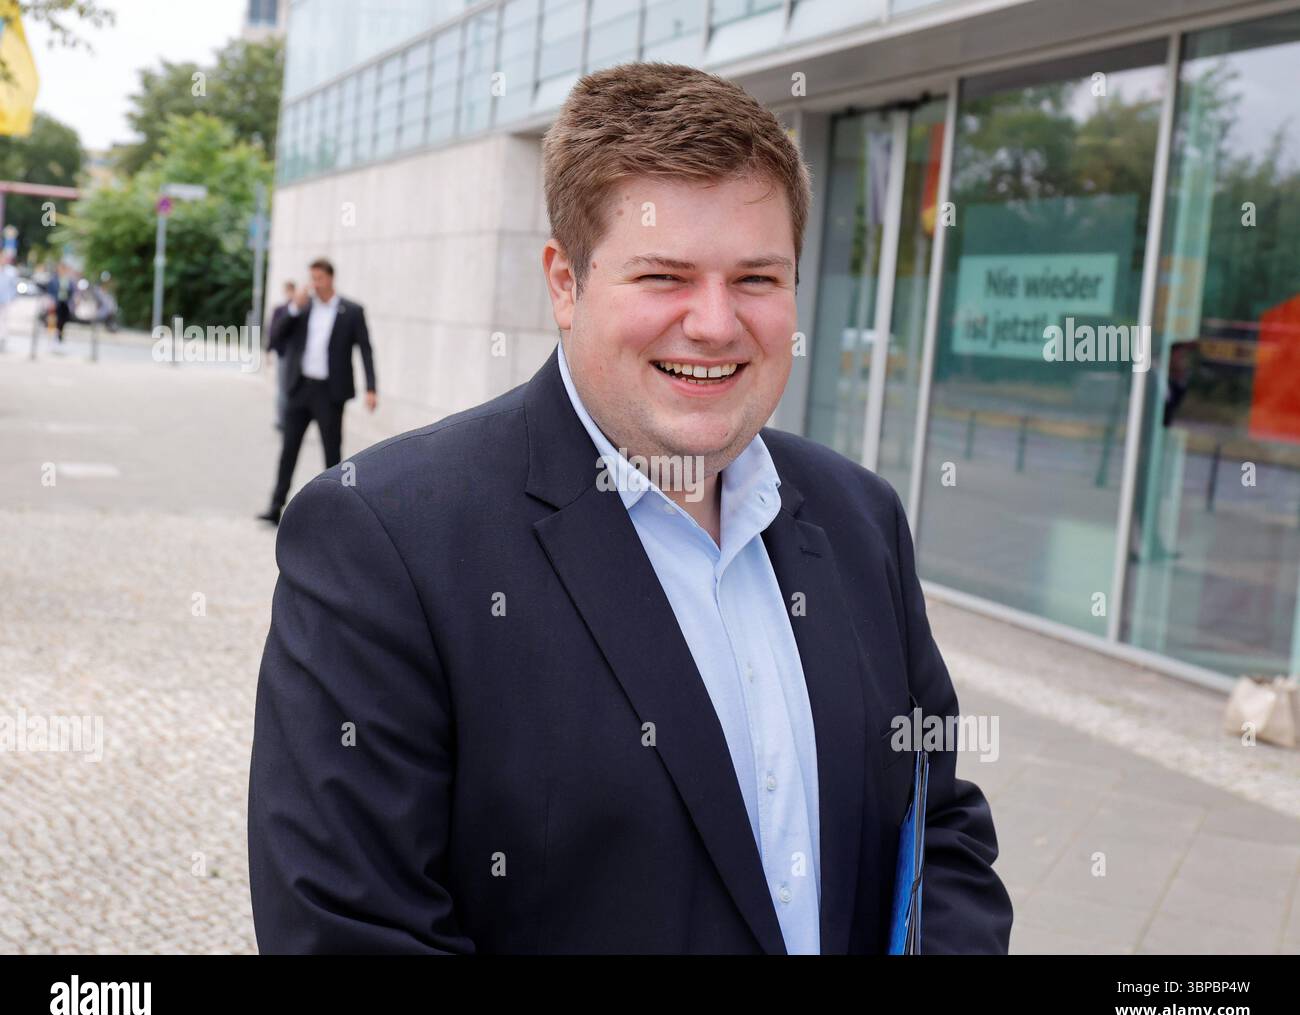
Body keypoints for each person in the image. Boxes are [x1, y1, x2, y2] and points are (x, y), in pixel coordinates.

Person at [248, 62, 1013, 954]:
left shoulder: (859, 519)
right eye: (665, 276)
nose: (717, 324)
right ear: (565, 284)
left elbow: (940, 821)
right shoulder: (384, 538)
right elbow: (348, 932)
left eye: (758, 279)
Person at [256, 260, 376, 526]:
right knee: (289, 449)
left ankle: (335, 512)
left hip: (329, 392)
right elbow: (275, 338)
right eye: (311, 278)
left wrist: (371, 388)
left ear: (331, 279)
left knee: (332, 453)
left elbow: (365, 349)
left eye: (319, 278)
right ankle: (275, 506)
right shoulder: (303, 309)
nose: (314, 284)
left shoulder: (351, 311)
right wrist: (293, 309)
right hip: (301, 389)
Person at [264, 281, 297, 432]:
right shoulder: (280, 310)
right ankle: (282, 420)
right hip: (283, 354)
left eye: (292, 291)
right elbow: (273, 331)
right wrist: (269, 351)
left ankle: (290, 420)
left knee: (292, 390)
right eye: (288, 291)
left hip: (296, 357)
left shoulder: (301, 309)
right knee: (283, 389)